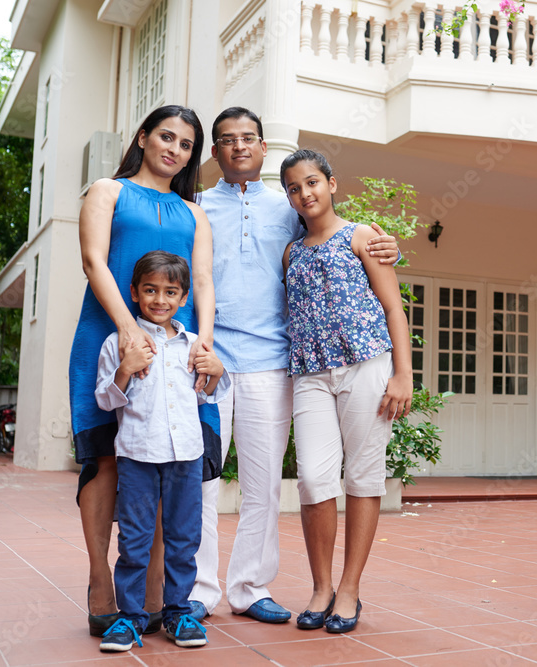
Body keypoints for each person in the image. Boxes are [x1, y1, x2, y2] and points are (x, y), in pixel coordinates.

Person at [189, 108, 400, 623]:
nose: (238, 147)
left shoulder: (287, 209)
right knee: (202, 481)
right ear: (214, 152)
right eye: (226, 141)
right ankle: (197, 590)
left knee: (263, 484)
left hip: (271, 361)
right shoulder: (194, 207)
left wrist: (385, 243)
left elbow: (339, 236)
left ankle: (250, 586)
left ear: (262, 148)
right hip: (209, 360)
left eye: (248, 139)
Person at [69, 105, 221, 637]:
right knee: (107, 460)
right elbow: (94, 262)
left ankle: (158, 592)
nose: (174, 149)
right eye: (166, 137)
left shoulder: (194, 212)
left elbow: (202, 281)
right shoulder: (107, 191)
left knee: (165, 457)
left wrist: (204, 342)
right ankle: (99, 583)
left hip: (175, 350)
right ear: (143, 137)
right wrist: (127, 330)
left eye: (185, 144)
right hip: (106, 337)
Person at [280, 149, 412, 633]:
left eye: (312, 182)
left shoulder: (362, 236)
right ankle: (321, 586)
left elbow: (393, 308)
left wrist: (404, 374)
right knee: (314, 480)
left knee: (362, 476)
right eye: (294, 188)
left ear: (332, 184)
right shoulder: (292, 251)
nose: (304, 193)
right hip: (311, 374)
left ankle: (350, 590)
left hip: (366, 367)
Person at [94, 251, 228, 652]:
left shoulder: (193, 346)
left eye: (170, 292)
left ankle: (178, 612)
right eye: (150, 290)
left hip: (185, 455)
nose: (159, 299)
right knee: (135, 540)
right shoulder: (119, 343)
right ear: (134, 293)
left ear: (184, 298)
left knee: (184, 539)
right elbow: (105, 399)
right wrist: (125, 367)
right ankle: (131, 618)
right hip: (137, 455)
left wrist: (217, 372)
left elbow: (208, 395)